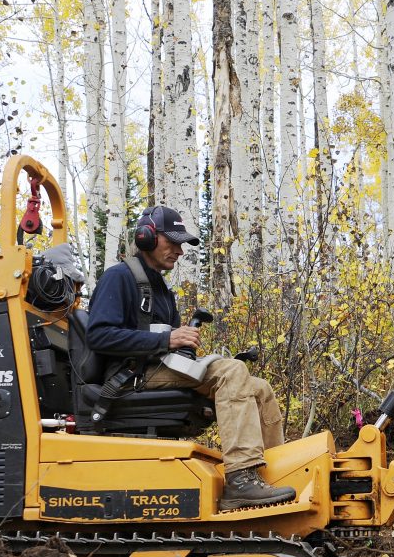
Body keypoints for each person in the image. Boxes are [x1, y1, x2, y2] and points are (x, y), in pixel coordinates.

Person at [86, 206, 295, 509]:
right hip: (131, 377)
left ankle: (275, 471)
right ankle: (240, 481)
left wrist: (182, 346)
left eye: (181, 244)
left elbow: (165, 344)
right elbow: (99, 335)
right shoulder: (118, 278)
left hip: (157, 368)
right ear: (146, 237)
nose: (179, 251)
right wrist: (168, 338)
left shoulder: (161, 290)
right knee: (231, 371)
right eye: (171, 242)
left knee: (258, 387)